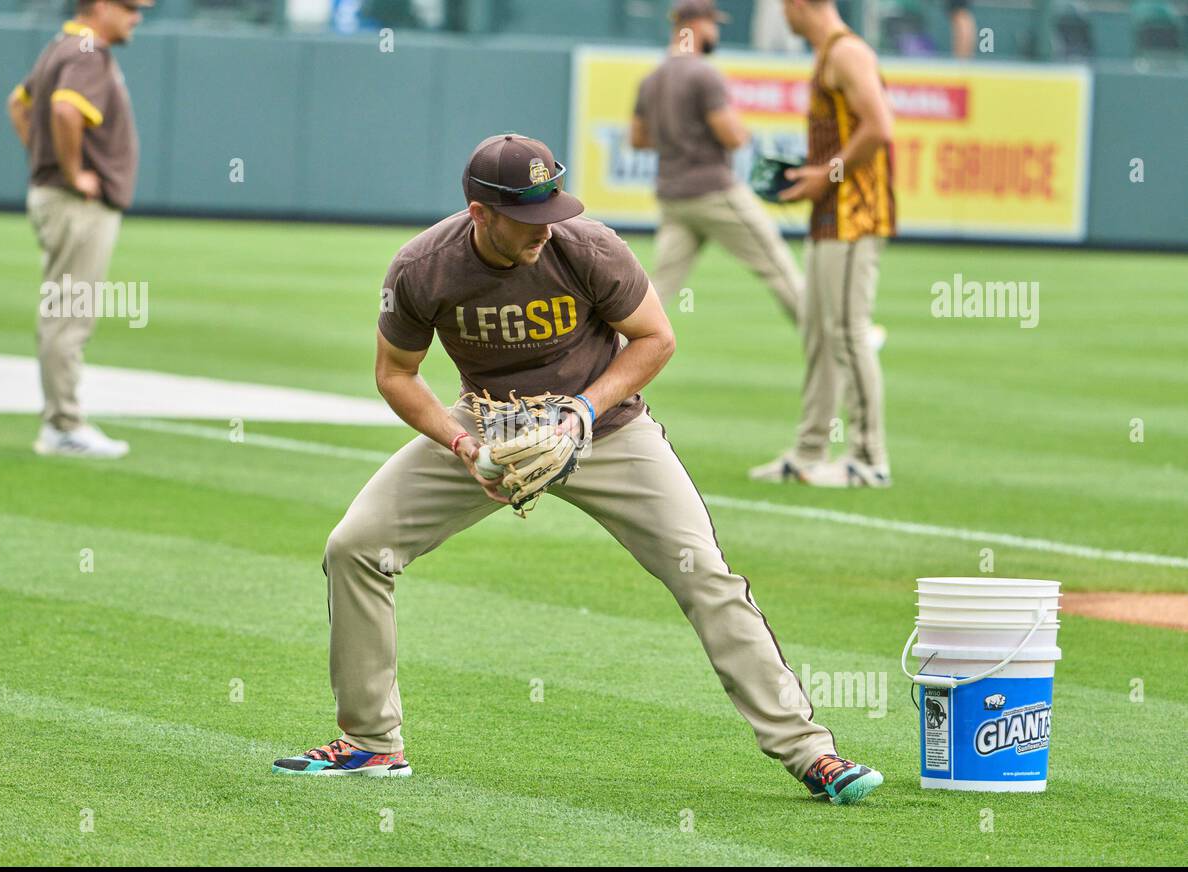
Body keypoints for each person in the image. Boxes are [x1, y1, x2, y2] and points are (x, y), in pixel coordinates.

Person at [272, 133, 883, 805]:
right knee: (356, 547)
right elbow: (395, 374)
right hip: (489, 428)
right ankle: (371, 744)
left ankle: (811, 753)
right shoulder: (424, 267)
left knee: (702, 571)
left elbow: (656, 337)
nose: (545, 228)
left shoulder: (585, 246)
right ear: (481, 214)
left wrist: (583, 413)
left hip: (605, 429)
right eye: (527, 217)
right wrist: (461, 445)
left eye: (552, 208)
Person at [749, 0, 895, 488]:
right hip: (830, 215)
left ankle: (868, 458)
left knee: (848, 333)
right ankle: (810, 452)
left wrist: (825, 175)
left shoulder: (847, 52)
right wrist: (812, 175)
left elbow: (879, 127)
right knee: (818, 332)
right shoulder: (828, 52)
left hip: (855, 216)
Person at [7, 0, 150, 459]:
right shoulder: (86, 51)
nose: (138, 16)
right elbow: (66, 110)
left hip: (57, 198)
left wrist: (43, 159)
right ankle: (64, 425)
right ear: (102, 5)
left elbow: (18, 103)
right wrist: (71, 173)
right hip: (75, 204)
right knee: (70, 313)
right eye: (131, 7)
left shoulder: (63, 44)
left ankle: (61, 421)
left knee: (63, 309)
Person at [631, 0, 803, 325]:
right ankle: (837, 338)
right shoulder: (703, 73)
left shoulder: (652, 78)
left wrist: (678, 135)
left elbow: (637, 139)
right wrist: (742, 130)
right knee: (778, 266)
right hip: (713, 191)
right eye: (714, 24)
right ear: (696, 25)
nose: (715, 32)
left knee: (658, 289)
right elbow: (732, 137)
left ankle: (613, 352)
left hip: (673, 197)